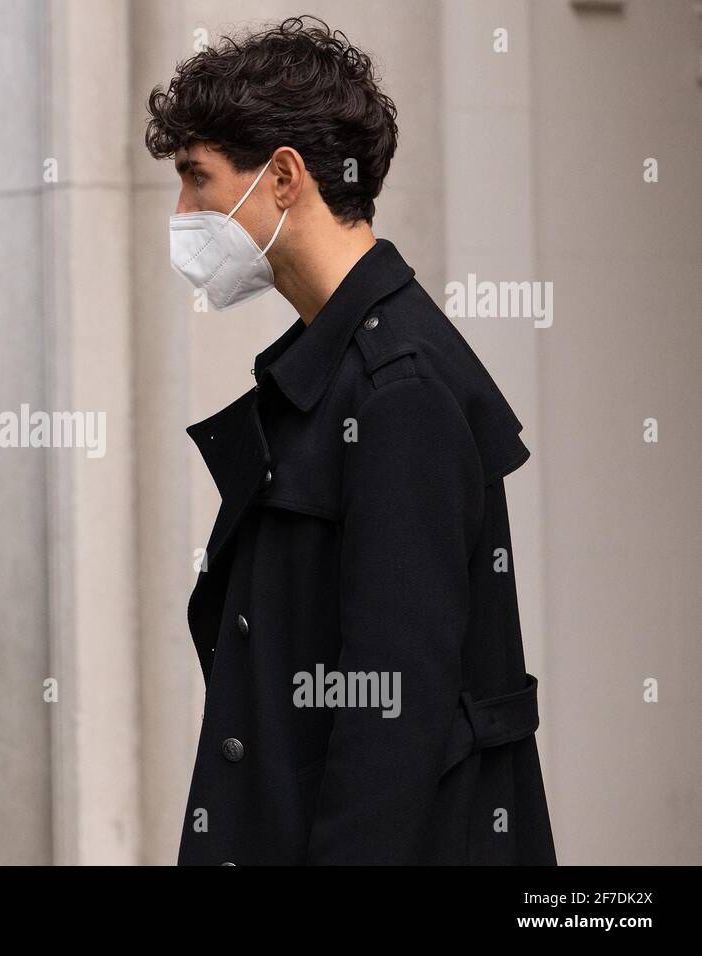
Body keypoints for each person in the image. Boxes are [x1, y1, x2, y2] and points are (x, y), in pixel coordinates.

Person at [147, 17, 557, 864]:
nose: (183, 213)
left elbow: (391, 722)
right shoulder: (333, 362)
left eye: (196, 178)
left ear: (286, 177)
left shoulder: (397, 385)